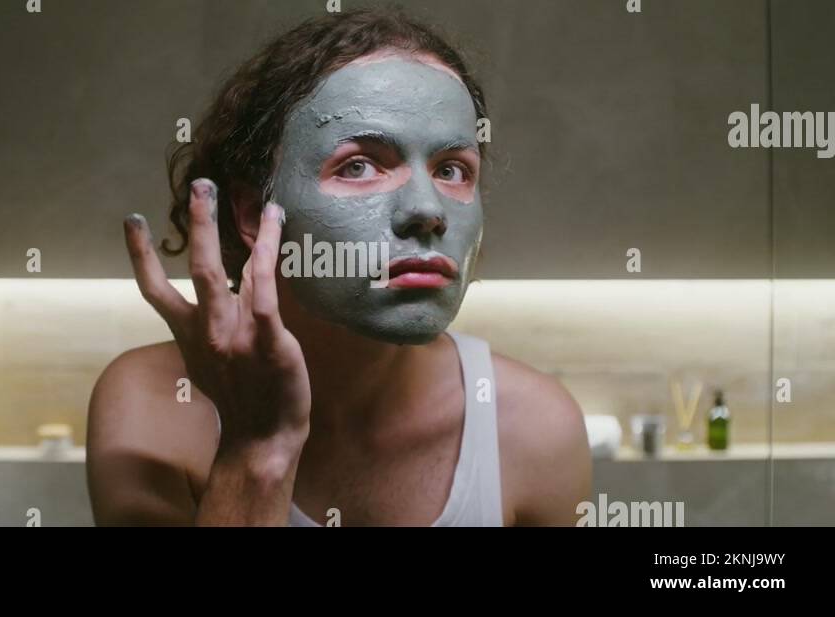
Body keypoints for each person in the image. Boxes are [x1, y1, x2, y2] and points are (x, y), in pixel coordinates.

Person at [86, 8, 591, 526]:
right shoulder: (153, 404)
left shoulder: (533, 427)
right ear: (255, 214)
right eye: (359, 165)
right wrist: (259, 450)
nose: (428, 210)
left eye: (451, 170)